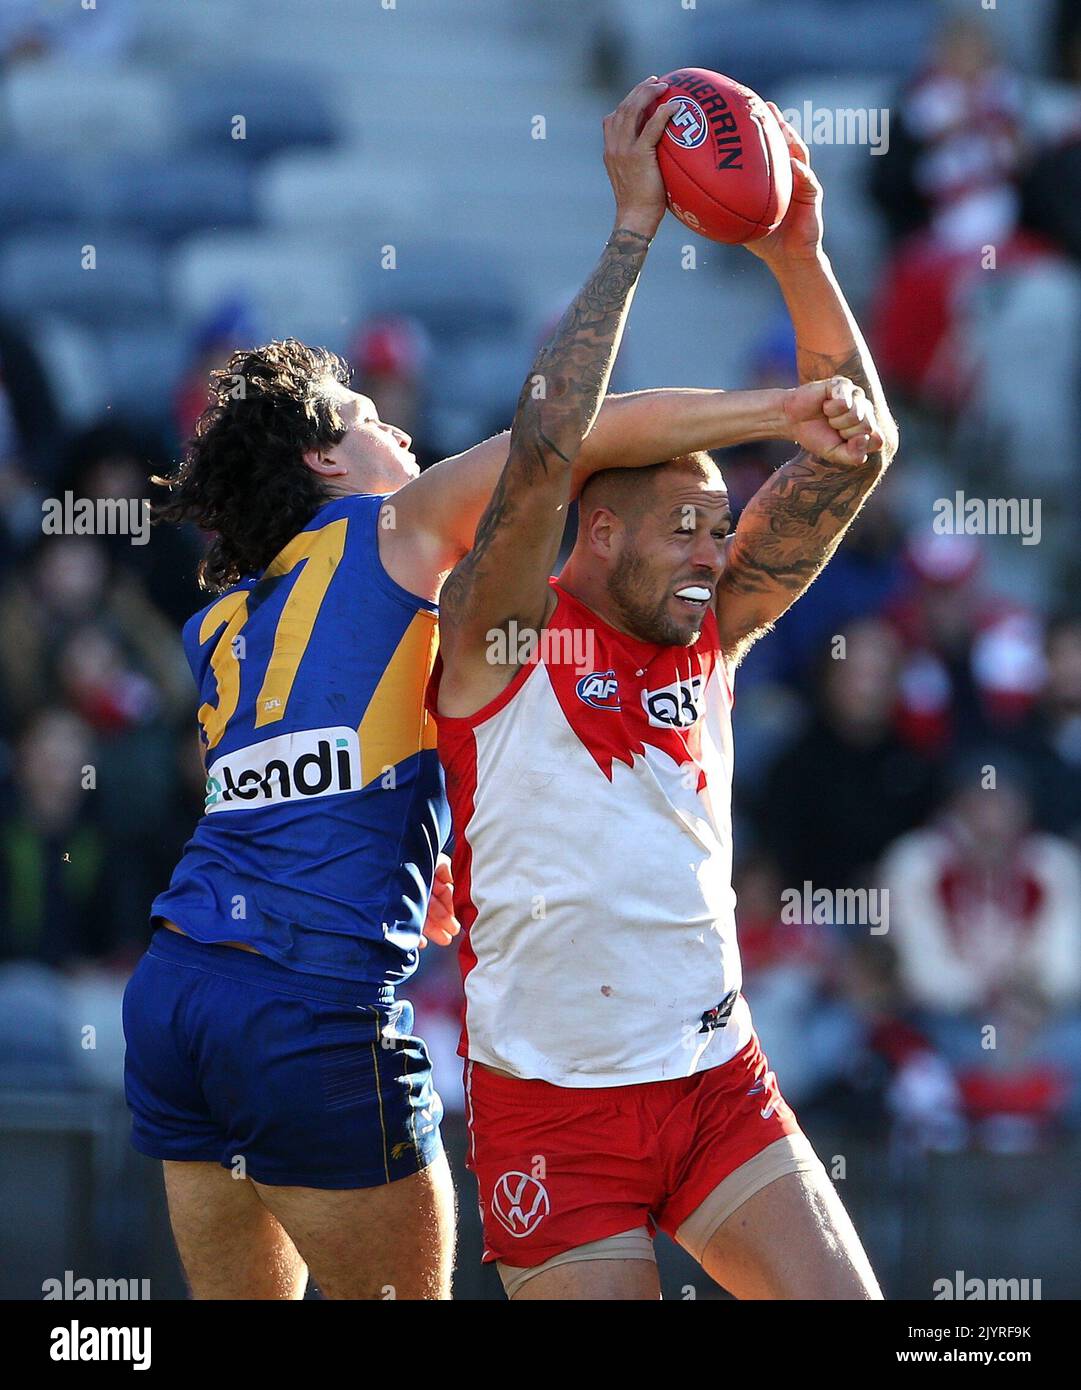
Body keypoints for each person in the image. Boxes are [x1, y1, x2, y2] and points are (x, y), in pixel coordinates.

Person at [121, 78, 848, 1300]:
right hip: (311, 1001)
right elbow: (571, 437)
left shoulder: (224, 620)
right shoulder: (392, 529)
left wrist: (437, 855)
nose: (400, 437)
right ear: (322, 457)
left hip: (177, 992)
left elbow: (296, 777)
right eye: (369, 419)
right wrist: (777, 408)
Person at [430, 102, 899, 1300]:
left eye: (719, 527)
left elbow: (861, 450)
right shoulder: (500, 637)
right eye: (684, 527)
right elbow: (544, 443)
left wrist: (796, 255)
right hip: (552, 1113)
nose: (713, 551)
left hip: (713, 1082)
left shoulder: (714, 637)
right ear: (593, 530)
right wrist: (634, 226)